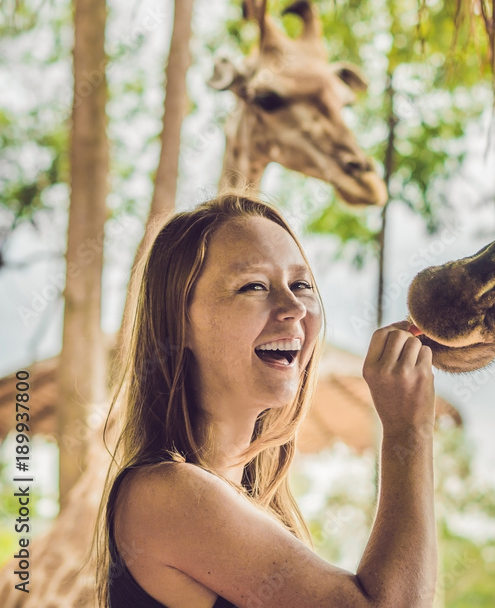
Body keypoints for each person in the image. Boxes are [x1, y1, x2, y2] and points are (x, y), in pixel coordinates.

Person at [93, 194, 437, 608]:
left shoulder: (256, 508)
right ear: (178, 322)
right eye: (253, 286)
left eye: (302, 285)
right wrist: (408, 429)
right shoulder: (164, 493)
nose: (293, 307)